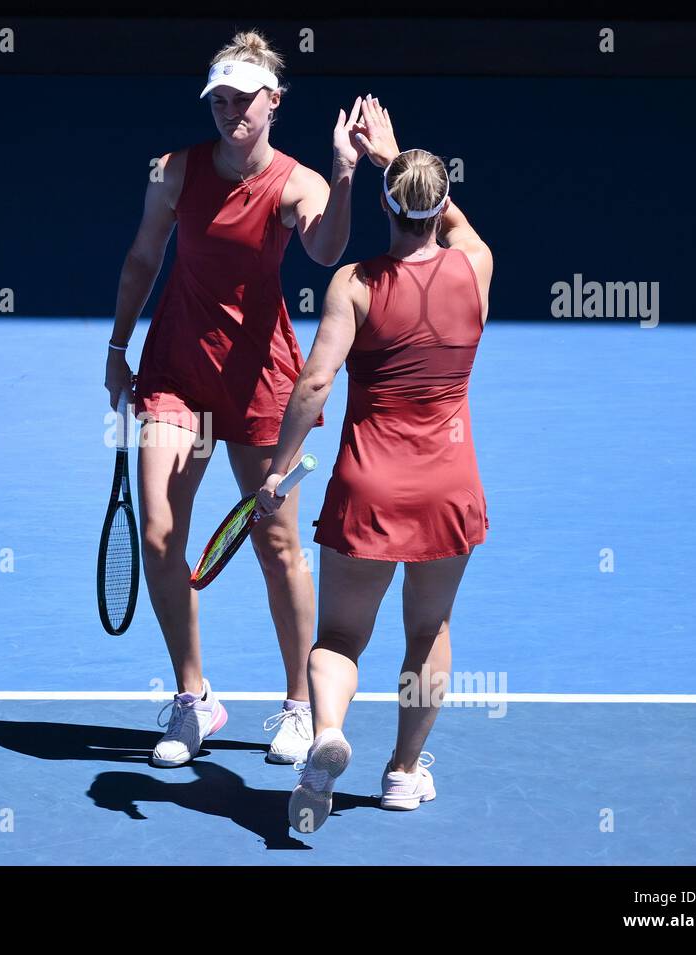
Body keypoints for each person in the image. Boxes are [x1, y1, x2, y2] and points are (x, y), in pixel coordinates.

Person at [105, 30, 381, 767]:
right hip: (176, 377)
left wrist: (346, 173)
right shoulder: (174, 172)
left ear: (274, 103)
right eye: (219, 100)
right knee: (162, 532)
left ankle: (298, 704)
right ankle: (194, 699)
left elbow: (326, 250)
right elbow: (142, 258)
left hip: (262, 384)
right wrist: (116, 351)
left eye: (243, 101)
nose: (230, 112)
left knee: (278, 544)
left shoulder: (299, 184)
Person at [255, 99, 493, 830]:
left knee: (338, 640)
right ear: (443, 201)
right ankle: (401, 772)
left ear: (387, 207)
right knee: (428, 632)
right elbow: (452, 221)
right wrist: (395, 158)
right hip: (449, 487)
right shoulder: (477, 267)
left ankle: (328, 731)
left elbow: (316, 380)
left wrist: (278, 468)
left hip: (369, 487)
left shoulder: (354, 284)